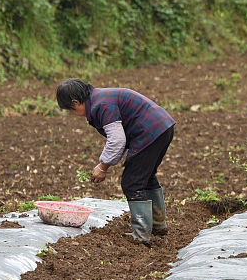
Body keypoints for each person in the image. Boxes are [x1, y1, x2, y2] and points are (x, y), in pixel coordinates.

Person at [56, 79, 175, 245]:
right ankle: (157, 225)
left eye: (70, 110)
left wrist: (103, 166)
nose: (72, 113)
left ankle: (141, 234)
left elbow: (117, 140)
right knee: (146, 177)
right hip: (163, 127)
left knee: (132, 183)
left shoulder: (102, 105)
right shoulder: (99, 98)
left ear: (75, 102)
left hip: (150, 132)